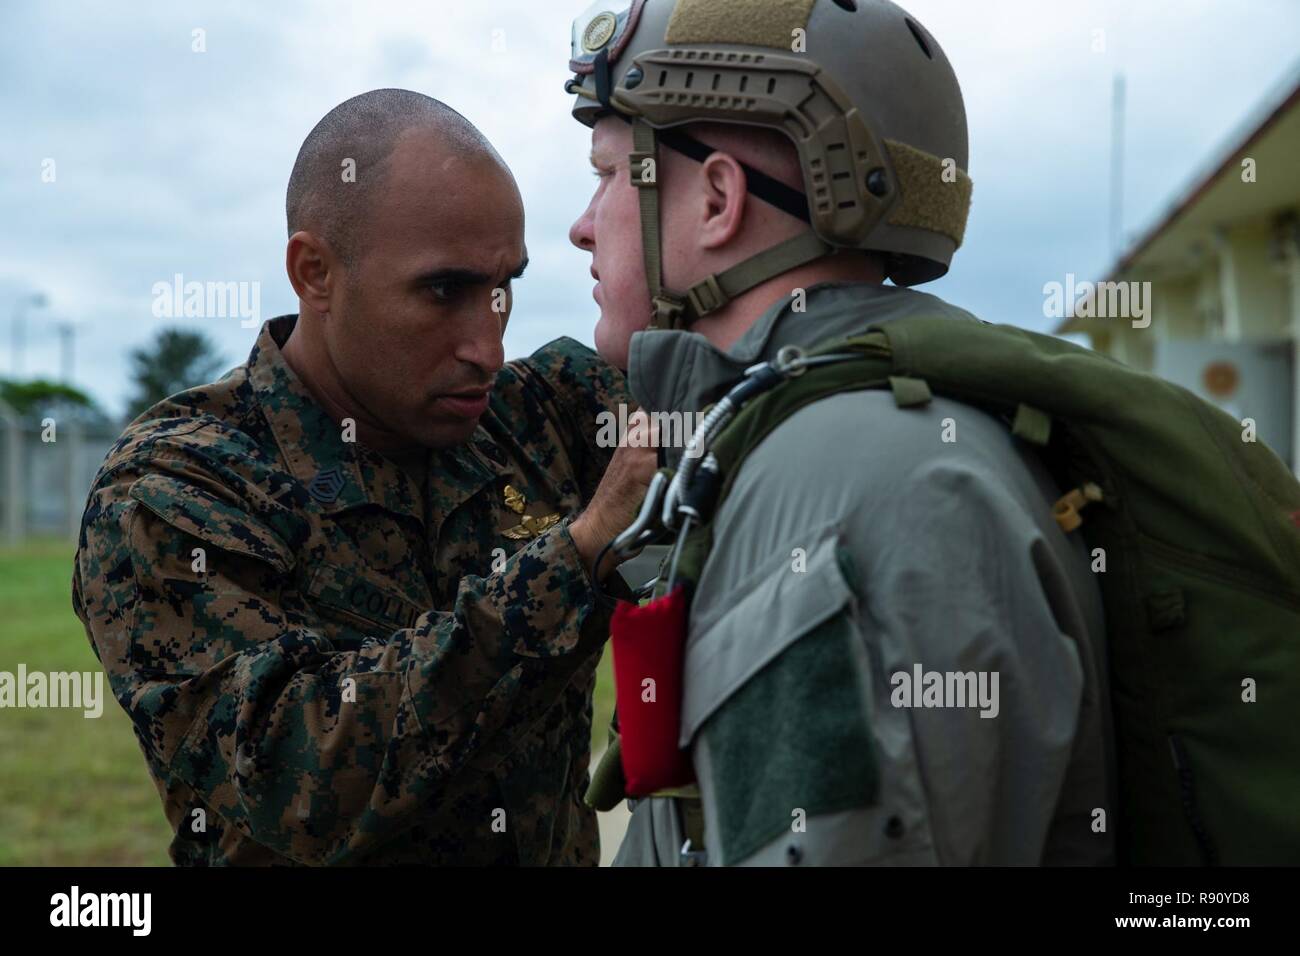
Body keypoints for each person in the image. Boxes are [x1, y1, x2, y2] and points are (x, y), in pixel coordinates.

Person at [565, 0, 1114, 865]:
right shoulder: (789, 444)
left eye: (606, 172)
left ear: (717, 200)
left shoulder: (863, 486)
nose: (583, 224)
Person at [72, 88, 655, 865]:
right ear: (314, 272)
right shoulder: (175, 487)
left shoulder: (542, 412)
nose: (487, 344)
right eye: (443, 292)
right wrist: (575, 558)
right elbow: (298, 775)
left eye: (502, 286)